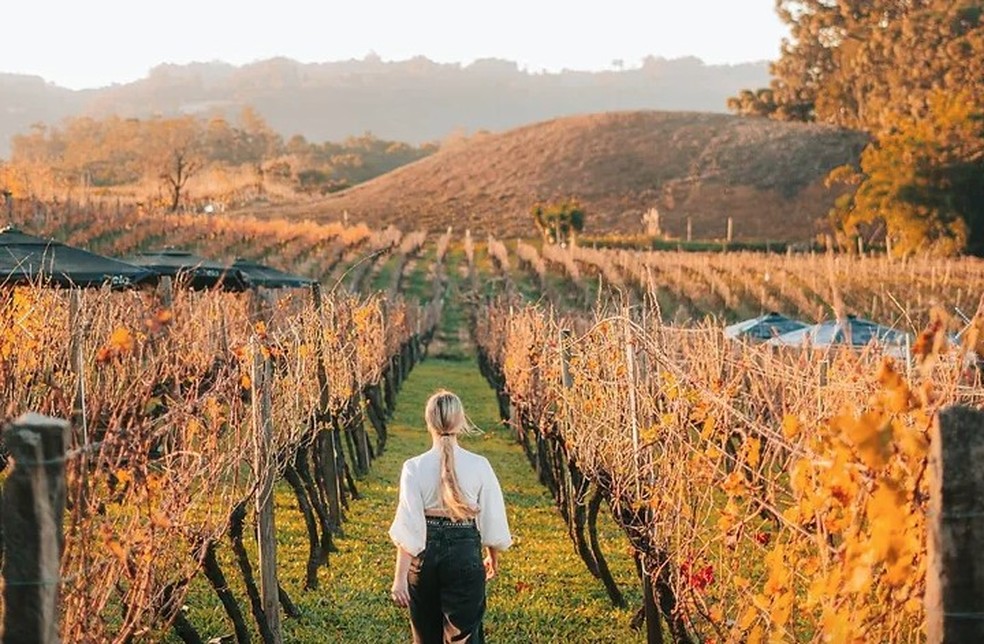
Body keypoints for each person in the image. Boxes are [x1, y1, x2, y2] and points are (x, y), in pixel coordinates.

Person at [389, 390, 512, 643]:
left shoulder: (413, 467)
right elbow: (492, 518)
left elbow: (409, 527)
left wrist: (399, 580)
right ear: (460, 421)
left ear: (428, 422)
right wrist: (492, 556)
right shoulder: (479, 465)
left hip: (424, 558)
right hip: (465, 553)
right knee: (464, 637)